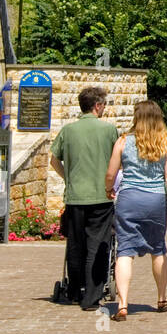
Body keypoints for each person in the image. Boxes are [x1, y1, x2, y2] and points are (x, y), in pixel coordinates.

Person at [105, 100, 167, 321]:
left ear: (137, 117)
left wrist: (108, 189)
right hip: (155, 200)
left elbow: (111, 173)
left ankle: (122, 304)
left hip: (128, 198)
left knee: (125, 250)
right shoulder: (166, 142)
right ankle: (162, 298)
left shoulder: (123, 141)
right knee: (158, 248)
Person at [50, 86, 119, 312]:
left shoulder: (68, 131)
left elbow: (54, 160)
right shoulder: (109, 130)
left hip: (75, 197)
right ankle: (91, 297)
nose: (105, 108)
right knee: (97, 246)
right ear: (97, 106)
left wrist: (68, 178)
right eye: (104, 105)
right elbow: (117, 161)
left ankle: (74, 291)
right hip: (101, 196)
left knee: (75, 245)